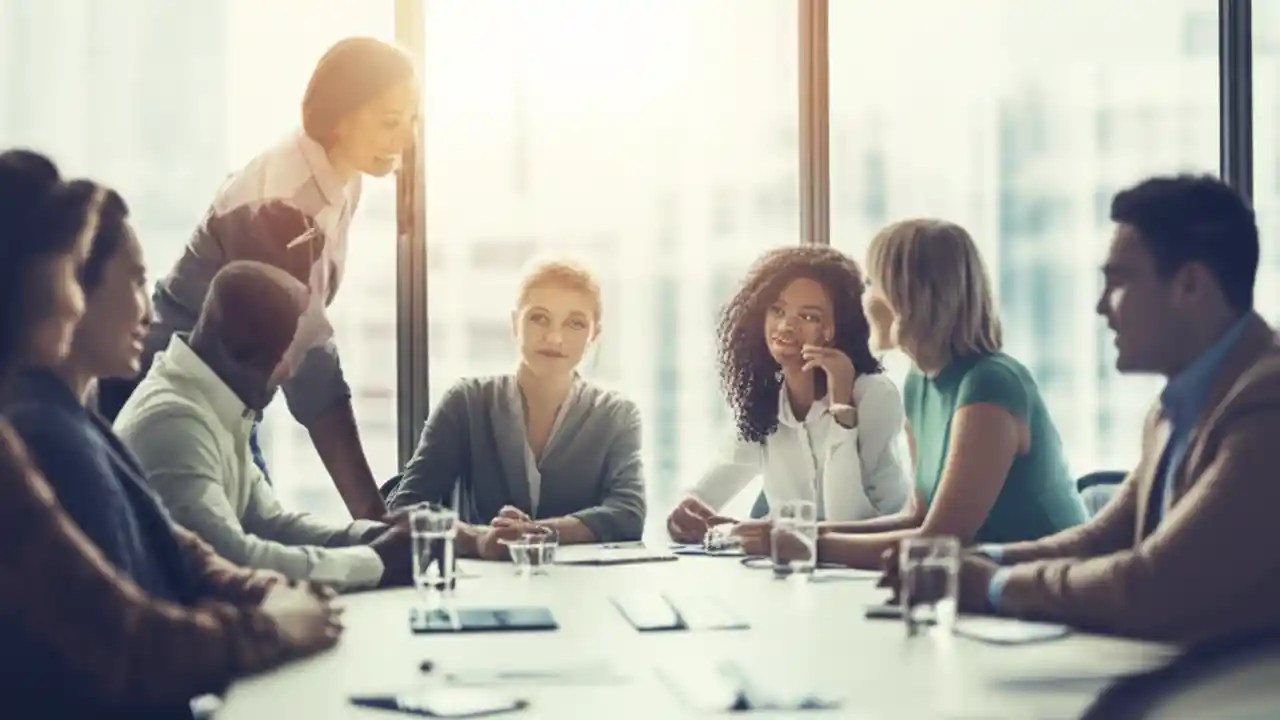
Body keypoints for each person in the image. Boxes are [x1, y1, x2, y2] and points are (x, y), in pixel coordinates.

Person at [0, 151, 340, 720]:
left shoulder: (78, 422)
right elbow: (124, 640)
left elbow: (187, 553)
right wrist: (273, 627)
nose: (70, 299)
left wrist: (271, 596)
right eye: (67, 275)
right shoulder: (39, 432)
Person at [920, 176, 1280, 643]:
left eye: (1118, 281)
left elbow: (1155, 586)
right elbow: (1102, 540)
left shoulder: (1266, 402)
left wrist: (991, 586)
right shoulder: (1174, 408)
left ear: (1190, 285)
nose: (1100, 307)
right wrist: (978, 560)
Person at [97, 36, 418, 522]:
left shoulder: (341, 175)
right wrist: (372, 516)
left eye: (412, 119)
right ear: (339, 117)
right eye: (390, 121)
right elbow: (310, 364)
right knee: (243, 550)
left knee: (259, 547)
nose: (406, 138)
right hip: (160, 391)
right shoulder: (290, 198)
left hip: (222, 389)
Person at [769, 220, 1086, 568]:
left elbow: (938, 541)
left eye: (873, 284)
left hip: (1048, 592)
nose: (864, 299)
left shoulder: (990, 384)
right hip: (985, 592)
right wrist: (794, 531)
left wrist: (801, 542)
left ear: (912, 295)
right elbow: (915, 516)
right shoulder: (918, 383)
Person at [116, 258, 411, 590]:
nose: (289, 374)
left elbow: (269, 525)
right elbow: (234, 560)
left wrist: (376, 535)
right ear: (242, 354)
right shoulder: (173, 424)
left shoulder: (213, 402)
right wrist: (377, 561)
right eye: (290, 358)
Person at [388, 258, 646, 552]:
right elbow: (404, 509)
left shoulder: (616, 414)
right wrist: (480, 539)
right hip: (481, 585)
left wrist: (534, 533)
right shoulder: (467, 402)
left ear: (594, 335)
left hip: (581, 588)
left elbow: (628, 515)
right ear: (515, 324)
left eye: (575, 323)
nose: (554, 337)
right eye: (539, 318)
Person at [666, 246, 912, 544]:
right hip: (800, 569)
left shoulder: (874, 395)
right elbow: (712, 486)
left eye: (808, 316)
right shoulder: (768, 397)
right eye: (778, 311)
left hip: (872, 563)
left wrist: (841, 404)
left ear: (833, 330)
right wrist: (687, 511)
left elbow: (845, 519)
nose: (785, 326)